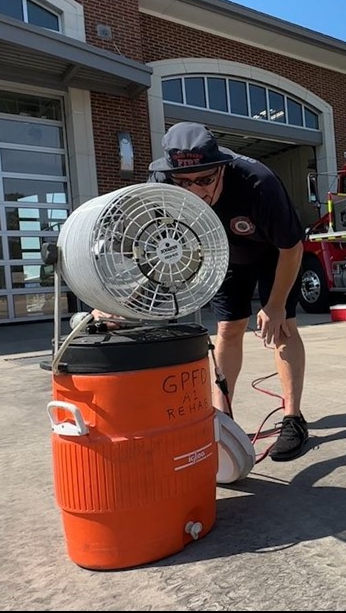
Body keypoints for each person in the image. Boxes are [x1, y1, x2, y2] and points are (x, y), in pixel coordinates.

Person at [107, 121, 310, 461]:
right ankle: (223, 419)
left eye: (204, 180)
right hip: (223, 254)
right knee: (229, 330)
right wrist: (124, 303)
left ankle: (293, 417)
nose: (195, 191)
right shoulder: (159, 185)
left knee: (283, 327)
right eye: (183, 182)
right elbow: (147, 244)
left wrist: (275, 305)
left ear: (221, 168)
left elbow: (292, 248)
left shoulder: (258, 182)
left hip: (274, 254)